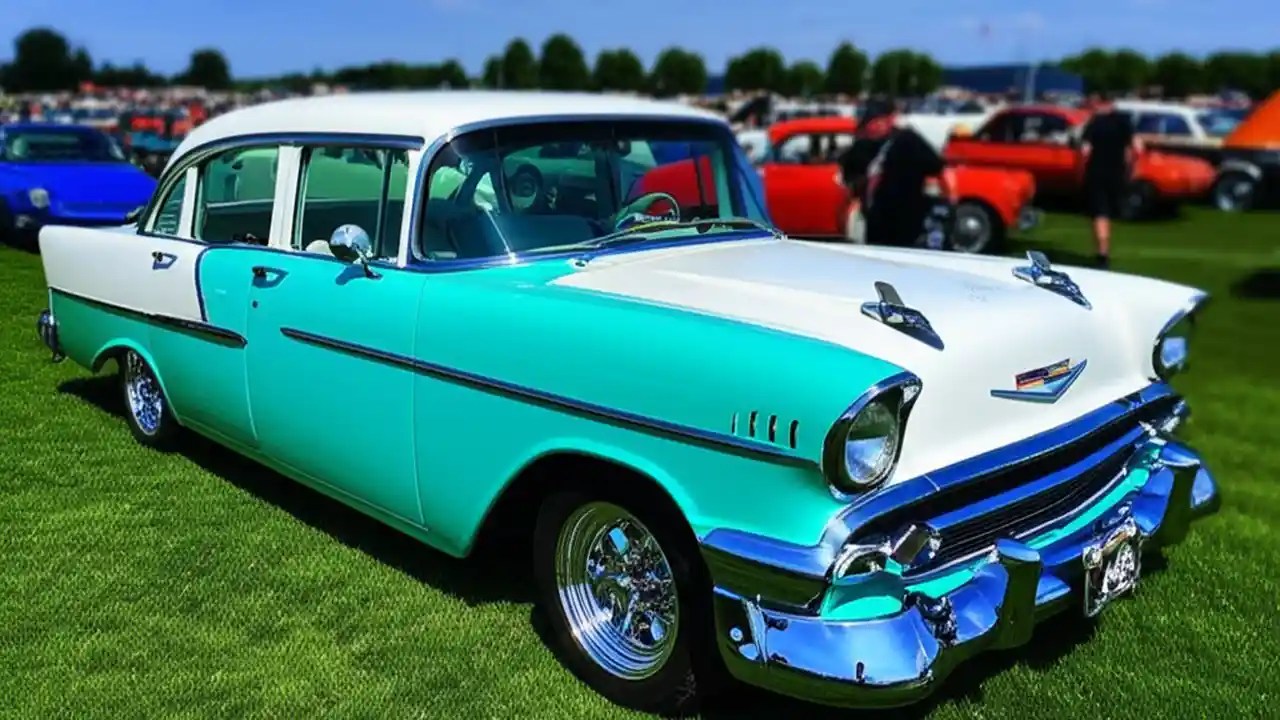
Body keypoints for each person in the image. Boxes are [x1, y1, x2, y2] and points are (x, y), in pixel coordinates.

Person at [1081, 92, 1142, 269]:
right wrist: (1131, 168)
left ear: (1099, 103)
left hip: (1096, 172)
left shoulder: (1094, 123)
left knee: (1100, 214)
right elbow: (1138, 147)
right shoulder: (1124, 121)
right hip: (1117, 173)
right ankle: (1104, 249)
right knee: (1110, 212)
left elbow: (1085, 151)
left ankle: (1102, 253)